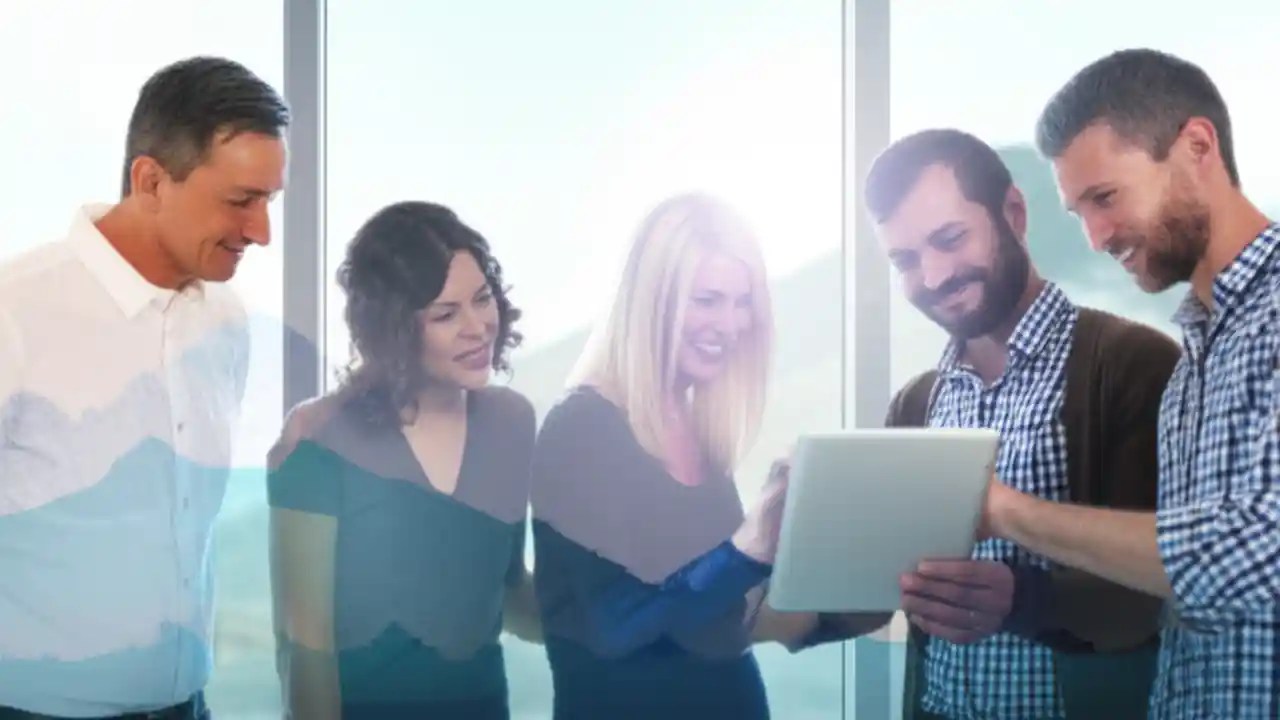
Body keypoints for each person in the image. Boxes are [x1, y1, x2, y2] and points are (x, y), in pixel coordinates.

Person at [798, 128, 1181, 718]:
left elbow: (1174, 585)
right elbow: (887, 587)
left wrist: (1023, 598)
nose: (932, 276)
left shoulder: (1137, 366)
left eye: (950, 239)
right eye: (905, 259)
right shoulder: (915, 404)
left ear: (1014, 213)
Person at [978, 48, 1280, 719]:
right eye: (1078, 211)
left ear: (1197, 146)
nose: (1094, 237)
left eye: (1105, 197)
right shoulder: (1190, 371)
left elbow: (1260, 551)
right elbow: (1189, 620)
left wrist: (1003, 510)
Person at [0, 56, 287, 719]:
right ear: (151, 180)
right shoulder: (14, 314)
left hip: (188, 705)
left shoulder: (226, 321)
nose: (262, 232)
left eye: (269, 202)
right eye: (241, 201)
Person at [267, 201, 540, 720]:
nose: (478, 327)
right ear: (393, 327)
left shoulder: (512, 424)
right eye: (445, 314)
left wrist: (628, 597)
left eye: (483, 299)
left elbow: (511, 598)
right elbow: (304, 648)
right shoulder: (318, 439)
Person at [530, 193, 798, 719]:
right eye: (707, 299)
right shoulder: (581, 429)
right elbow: (610, 629)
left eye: (742, 302)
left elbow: (721, 616)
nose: (730, 324)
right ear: (652, 299)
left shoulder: (699, 432)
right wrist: (744, 551)